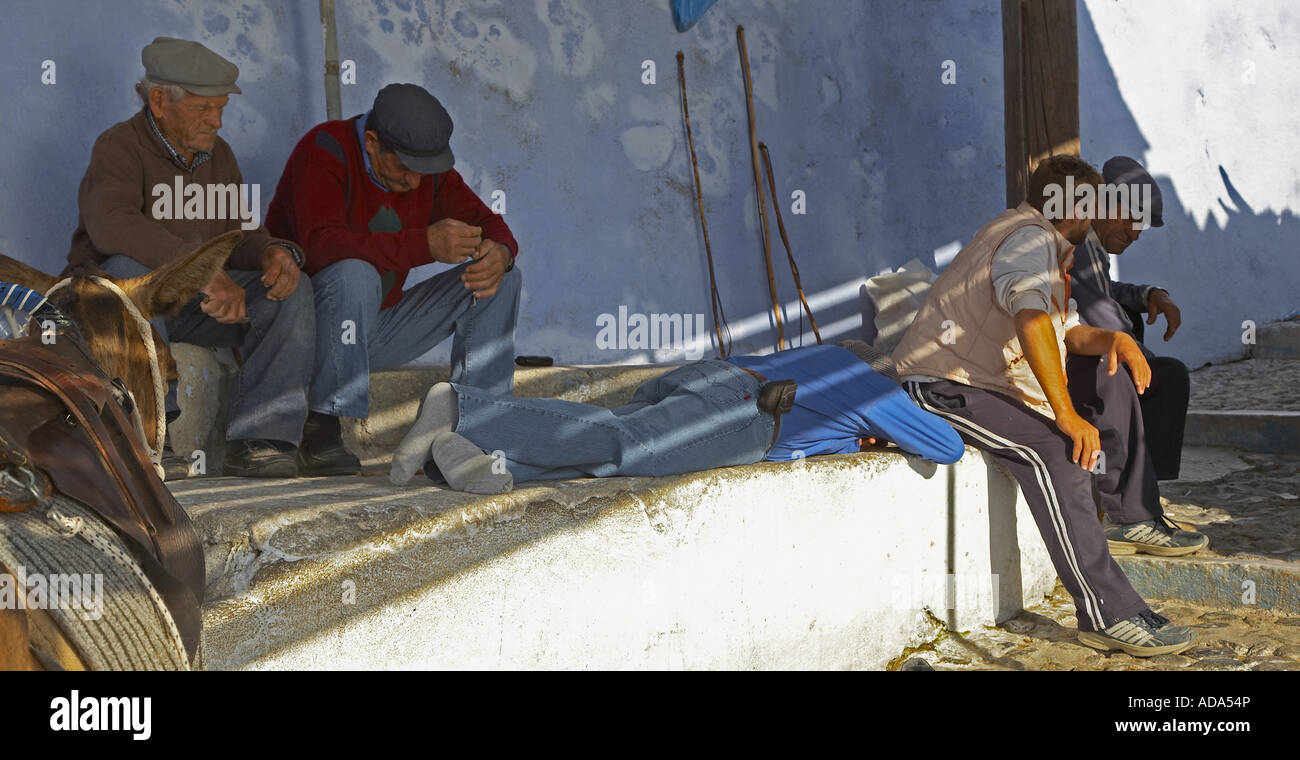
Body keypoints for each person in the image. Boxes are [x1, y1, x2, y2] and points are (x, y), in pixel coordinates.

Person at [892, 155, 1204, 657]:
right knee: (1057, 451)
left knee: (1067, 445)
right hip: (942, 385)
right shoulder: (1028, 239)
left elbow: (1067, 329)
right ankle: (1108, 614)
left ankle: (1116, 602)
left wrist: (1113, 340)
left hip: (979, 385)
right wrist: (1064, 413)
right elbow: (1033, 320)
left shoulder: (1045, 243)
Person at [66, 37, 312, 478]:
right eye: (204, 109)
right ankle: (153, 436)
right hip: (123, 310)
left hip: (193, 306)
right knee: (124, 273)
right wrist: (201, 271)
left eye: (221, 109)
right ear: (159, 100)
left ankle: (261, 437)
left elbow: (240, 233)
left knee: (291, 290)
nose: (217, 121)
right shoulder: (118, 146)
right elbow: (112, 227)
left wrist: (274, 251)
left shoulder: (218, 156)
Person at [266, 83, 521, 476]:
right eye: (403, 168)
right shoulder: (325, 150)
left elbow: (490, 223)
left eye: (424, 171)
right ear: (371, 142)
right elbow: (319, 246)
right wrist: (424, 244)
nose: (415, 183)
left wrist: (500, 251)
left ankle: (475, 430)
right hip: (312, 334)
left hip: (376, 330)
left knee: (503, 276)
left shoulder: (426, 171)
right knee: (354, 271)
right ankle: (321, 429)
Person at [387, 343, 966, 493]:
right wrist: (898, 419)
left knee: (608, 448)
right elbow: (947, 447)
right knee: (629, 445)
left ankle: (482, 460)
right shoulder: (863, 380)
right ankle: (463, 406)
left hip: (709, 379)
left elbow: (823, 436)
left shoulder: (821, 360)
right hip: (748, 413)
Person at [1069, 156, 1188, 480]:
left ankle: (1144, 487)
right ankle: (1143, 494)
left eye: (1141, 224)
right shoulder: (1080, 247)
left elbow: (1105, 290)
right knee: (1169, 377)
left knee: (1138, 336)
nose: (1135, 234)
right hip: (1071, 361)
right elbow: (1097, 307)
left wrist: (1150, 294)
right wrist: (1142, 358)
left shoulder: (1091, 244)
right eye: (1129, 219)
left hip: (1081, 351)